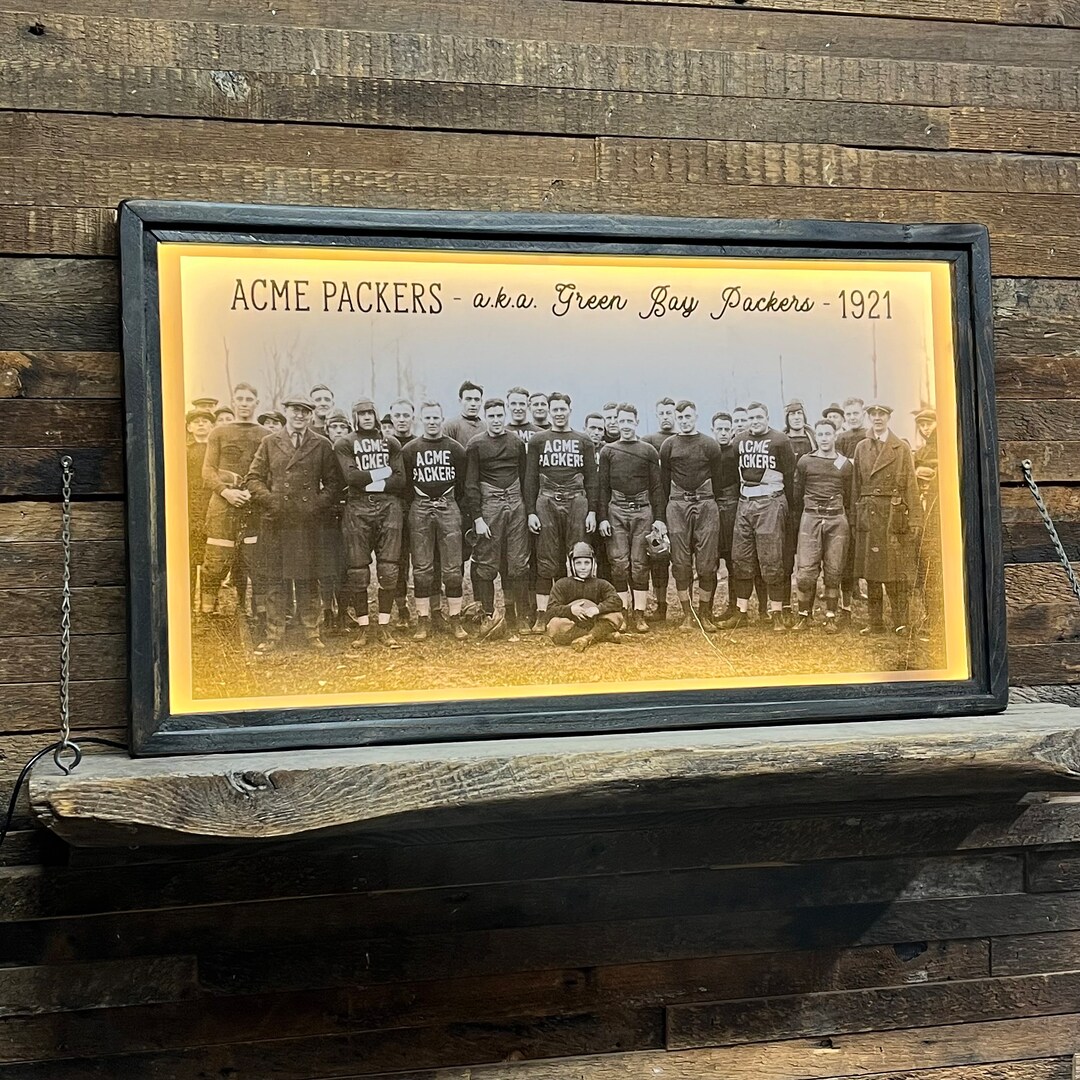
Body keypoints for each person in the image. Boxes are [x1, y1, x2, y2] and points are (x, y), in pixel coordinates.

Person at [246, 394, 344, 653]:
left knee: (308, 580)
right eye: (295, 410)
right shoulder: (269, 442)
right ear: (286, 412)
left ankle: (312, 632)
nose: (299, 415)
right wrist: (272, 501)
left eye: (305, 411)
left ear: (311, 415)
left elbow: (334, 484)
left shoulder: (321, 444)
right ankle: (274, 634)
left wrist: (314, 505)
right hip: (277, 521)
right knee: (276, 581)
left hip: (307, 523)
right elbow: (253, 479)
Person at [335, 397, 406, 651]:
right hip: (357, 507)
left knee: (388, 570)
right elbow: (352, 477)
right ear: (355, 417)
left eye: (370, 413)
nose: (366, 417)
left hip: (389, 507)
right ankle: (364, 627)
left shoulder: (391, 442)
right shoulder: (345, 443)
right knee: (358, 571)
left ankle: (385, 626)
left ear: (376, 415)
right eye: (361, 413)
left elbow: (400, 481)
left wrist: (371, 480)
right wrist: (382, 472)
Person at [720, 401, 796, 632]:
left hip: (770, 501)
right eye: (751, 417)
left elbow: (790, 474)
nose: (755, 421)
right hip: (745, 502)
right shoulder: (739, 440)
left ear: (767, 417)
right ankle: (741, 612)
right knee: (741, 557)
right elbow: (733, 470)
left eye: (759, 417)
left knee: (771, 558)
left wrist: (788, 508)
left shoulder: (780, 440)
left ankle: (776, 613)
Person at [525, 392, 598, 632]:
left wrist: (592, 511)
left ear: (569, 410)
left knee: (578, 554)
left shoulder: (584, 440)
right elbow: (530, 479)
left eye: (562, 409)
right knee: (546, 557)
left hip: (577, 500)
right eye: (553, 409)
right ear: (548, 411)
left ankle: (579, 610)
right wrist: (530, 512)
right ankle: (542, 614)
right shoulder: (538, 439)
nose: (558, 413)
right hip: (546, 500)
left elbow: (592, 479)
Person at [852, 402, 923, 635]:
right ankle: (875, 623)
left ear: (888, 417)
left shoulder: (900, 448)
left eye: (881, 414)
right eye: (873, 414)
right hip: (869, 514)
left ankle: (901, 622)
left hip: (893, 517)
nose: (877, 418)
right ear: (869, 418)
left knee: (895, 573)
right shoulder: (861, 447)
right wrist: (855, 519)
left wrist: (915, 519)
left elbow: (911, 486)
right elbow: (856, 486)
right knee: (872, 572)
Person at [402, 402, 469, 641]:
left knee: (452, 569)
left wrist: (450, 504)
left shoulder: (456, 449)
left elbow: (462, 485)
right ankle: (423, 620)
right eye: (427, 418)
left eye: (436, 418)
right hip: (420, 507)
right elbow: (406, 485)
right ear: (421, 419)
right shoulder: (410, 450)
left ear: (442, 419)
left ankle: (455, 619)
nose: (432, 422)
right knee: (422, 568)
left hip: (448, 505)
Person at [465, 397, 530, 640]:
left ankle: (520, 614)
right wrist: (478, 518)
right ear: (485, 417)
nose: (495, 420)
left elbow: (525, 477)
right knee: (486, 563)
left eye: (499, 415)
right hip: (489, 503)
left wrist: (526, 508)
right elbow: (471, 484)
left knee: (518, 562)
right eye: (490, 416)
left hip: (515, 503)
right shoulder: (476, 444)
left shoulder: (515, 441)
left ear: (505, 416)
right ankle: (487, 615)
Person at [199, 383, 266, 616]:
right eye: (240, 399)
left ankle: (257, 614)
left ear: (257, 403)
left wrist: (254, 493)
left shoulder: (266, 435)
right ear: (234, 402)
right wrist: (226, 492)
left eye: (249, 399)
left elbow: (271, 473)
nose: (245, 403)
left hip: (254, 505)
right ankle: (207, 611)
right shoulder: (219, 433)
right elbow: (207, 471)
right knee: (216, 560)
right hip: (223, 504)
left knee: (256, 561)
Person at [659, 400, 725, 632]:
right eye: (681, 418)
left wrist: (705, 497)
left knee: (707, 565)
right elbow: (664, 480)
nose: (685, 421)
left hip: (706, 504)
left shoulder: (709, 445)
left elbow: (718, 477)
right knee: (680, 563)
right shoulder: (668, 445)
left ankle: (705, 614)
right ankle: (688, 615)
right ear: (676, 420)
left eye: (688, 416)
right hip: (677, 505)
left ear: (696, 416)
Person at [598, 403, 664, 633]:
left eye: (629, 421)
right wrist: (603, 517)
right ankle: (622, 613)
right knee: (619, 564)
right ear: (615, 422)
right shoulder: (608, 451)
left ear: (636, 423)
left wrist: (659, 518)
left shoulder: (648, 450)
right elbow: (602, 488)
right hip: (616, 509)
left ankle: (639, 614)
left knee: (639, 564)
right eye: (621, 421)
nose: (625, 426)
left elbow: (657, 487)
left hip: (642, 510)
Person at [791, 418, 854, 634]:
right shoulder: (805, 462)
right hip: (811, 517)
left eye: (828, 434)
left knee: (834, 570)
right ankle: (803, 616)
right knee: (806, 571)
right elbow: (797, 493)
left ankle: (831, 616)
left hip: (837, 520)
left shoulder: (845, 464)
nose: (825, 438)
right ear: (815, 436)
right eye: (821, 434)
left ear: (835, 435)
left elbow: (849, 494)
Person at [545, 542, 625, 652]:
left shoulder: (601, 583)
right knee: (554, 625)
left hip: (595, 622)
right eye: (578, 563)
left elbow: (616, 601)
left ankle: (588, 638)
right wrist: (570, 610)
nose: (583, 567)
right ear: (572, 565)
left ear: (593, 564)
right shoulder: (562, 584)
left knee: (616, 616)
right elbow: (551, 609)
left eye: (587, 563)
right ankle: (600, 636)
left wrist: (597, 609)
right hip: (572, 625)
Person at [643, 396, 677, 622]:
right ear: (657, 415)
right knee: (657, 556)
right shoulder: (648, 441)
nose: (666, 417)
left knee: (683, 558)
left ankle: (689, 607)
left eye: (669, 413)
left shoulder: (683, 439)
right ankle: (660, 605)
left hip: (679, 501)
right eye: (662, 413)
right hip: (656, 503)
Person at [710, 410, 740, 621]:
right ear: (713, 430)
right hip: (710, 506)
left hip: (731, 507)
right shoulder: (707, 450)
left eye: (726, 429)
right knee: (709, 561)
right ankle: (706, 609)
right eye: (718, 429)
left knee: (732, 560)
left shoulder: (736, 451)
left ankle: (733, 606)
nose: (722, 433)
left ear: (732, 431)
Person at [913, 406, 941, 632]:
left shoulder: (946, 447)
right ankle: (930, 616)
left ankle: (939, 617)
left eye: (928, 423)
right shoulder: (921, 452)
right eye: (921, 425)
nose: (925, 428)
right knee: (925, 568)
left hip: (940, 515)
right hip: (925, 514)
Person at [185, 407, 213, 607]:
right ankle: (187, 602)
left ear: (212, 425)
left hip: (212, 507)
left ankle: (208, 603)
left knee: (209, 557)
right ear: (189, 427)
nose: (201, 424)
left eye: (205, 420)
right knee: (189, 557)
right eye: (196, 421)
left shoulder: (216, 450)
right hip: (190, 508)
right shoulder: (184, 450)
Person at [443, 380, 485, 447]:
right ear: (460, 401)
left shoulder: (486, 426)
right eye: (468, 399)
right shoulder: (450, 426)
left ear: (481, 402)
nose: (473, 404)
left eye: (477, 400)